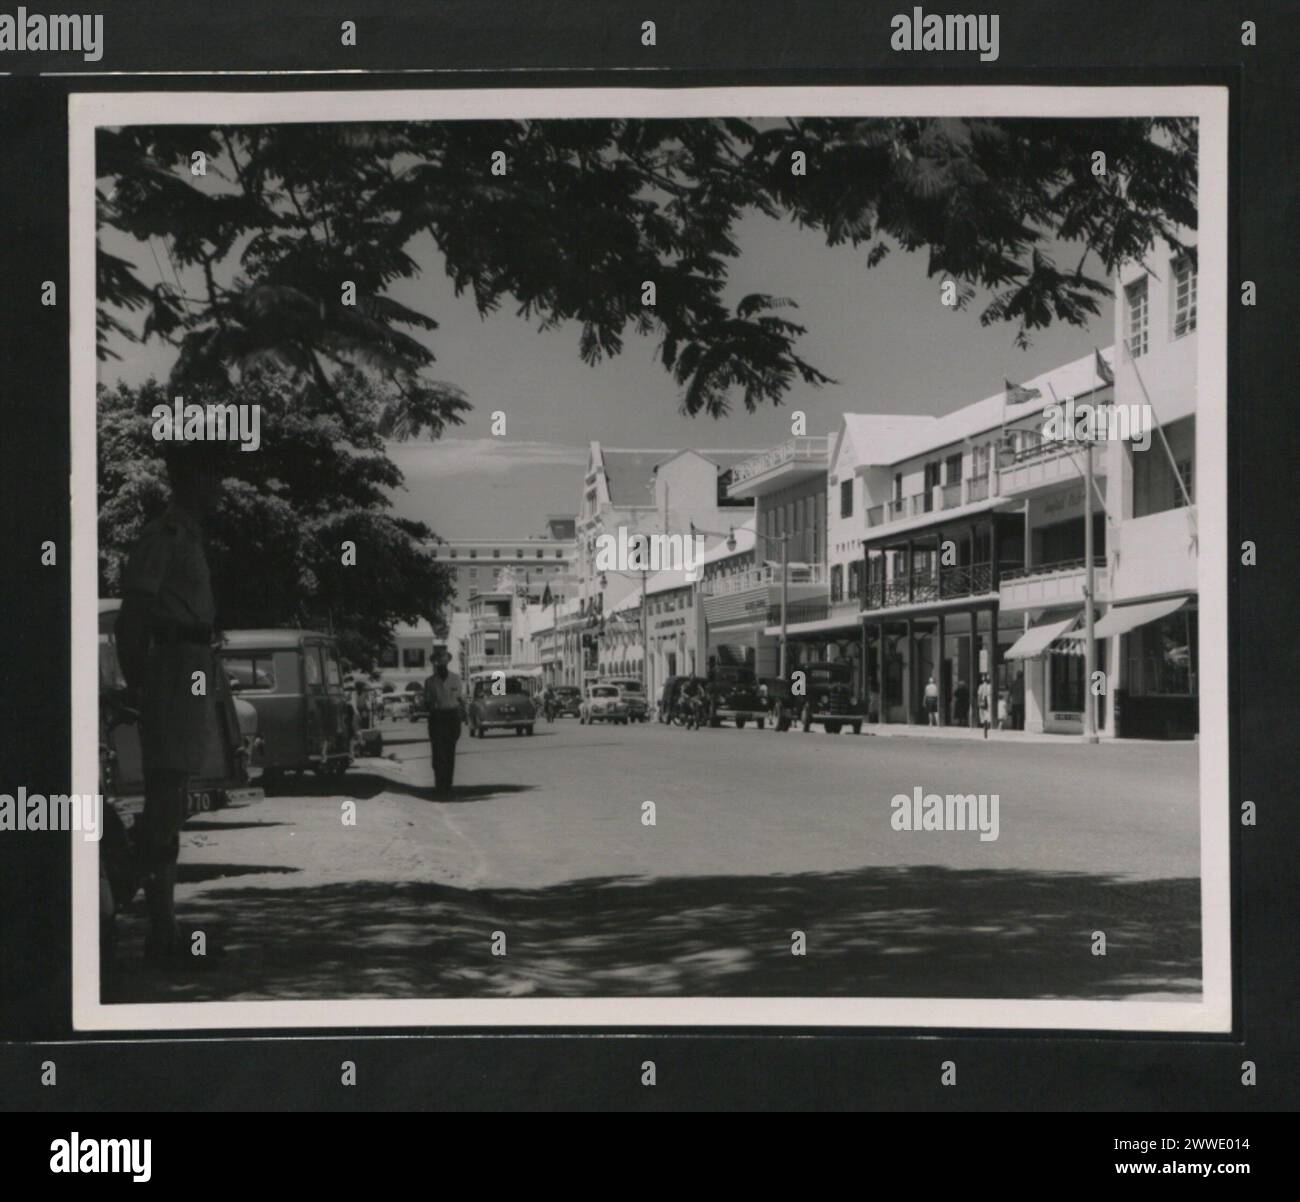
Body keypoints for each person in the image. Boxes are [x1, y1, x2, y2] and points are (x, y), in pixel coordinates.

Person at [115, 440, 227, 967]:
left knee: (174, 798)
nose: (221, 487)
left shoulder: (192, 537)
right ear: (191, 481)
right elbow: (132, 614)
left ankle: (163, 928)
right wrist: (139, 684)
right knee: (166, 798)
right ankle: (128, 900)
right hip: (174, 665)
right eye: (213, 477)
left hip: (194, 661)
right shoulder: (166, 535)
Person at [423, 646, 464, 798]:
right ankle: (439, 785)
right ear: (435, 664)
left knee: (449, 753)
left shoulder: (455, 679)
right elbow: (427, 703)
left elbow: (460, 699)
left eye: (443, 662)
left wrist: (461, 717)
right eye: (438, 663)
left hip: (452, 717)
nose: (441, 665)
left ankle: (448, 784)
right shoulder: (430, 682)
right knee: (438, 754)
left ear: (447, 663)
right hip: (437, 718)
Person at [976, 673, 993, 739]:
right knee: (988, 712)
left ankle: (984, 724)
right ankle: (988, 724)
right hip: (988, 700)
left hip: (983, 700)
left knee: (983, 712)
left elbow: (979, 695)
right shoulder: (990, 686)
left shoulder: (981, 686)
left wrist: (978, 702)